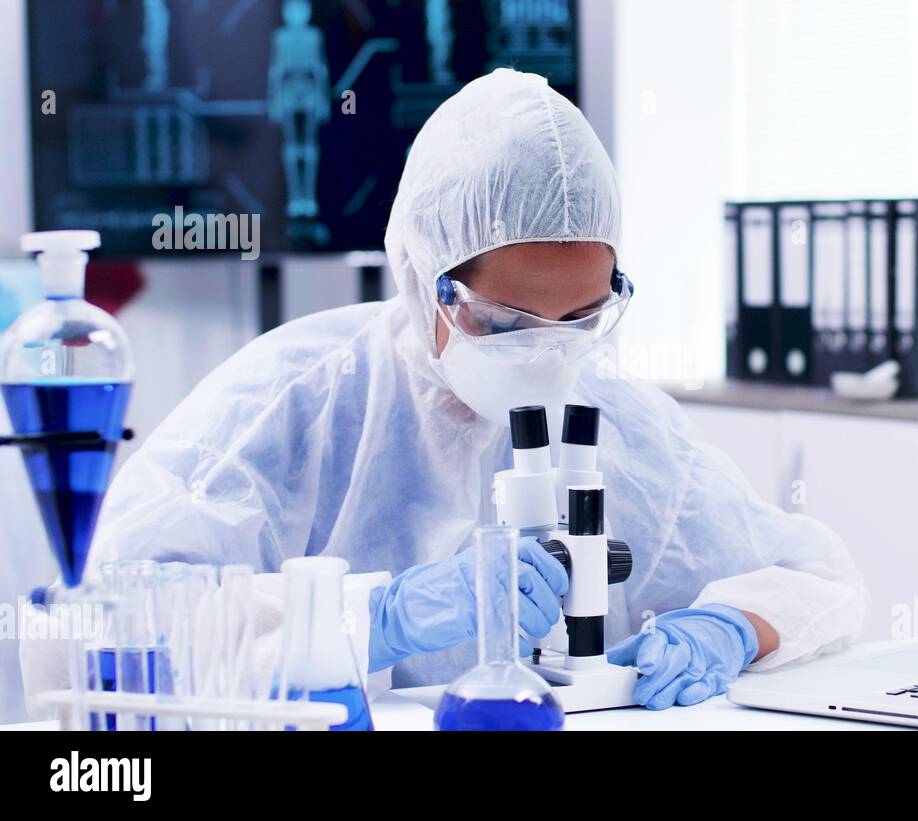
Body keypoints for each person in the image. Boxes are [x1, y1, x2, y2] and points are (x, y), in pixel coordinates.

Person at [30, 69, 866, 710]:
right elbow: (99, 629)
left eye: (578, 320)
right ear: (421, 275)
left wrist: (728, 627)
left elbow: (818, 578)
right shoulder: (296, 400)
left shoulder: (625, 427)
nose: (545, 357)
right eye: (507, 325)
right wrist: (373, 614)